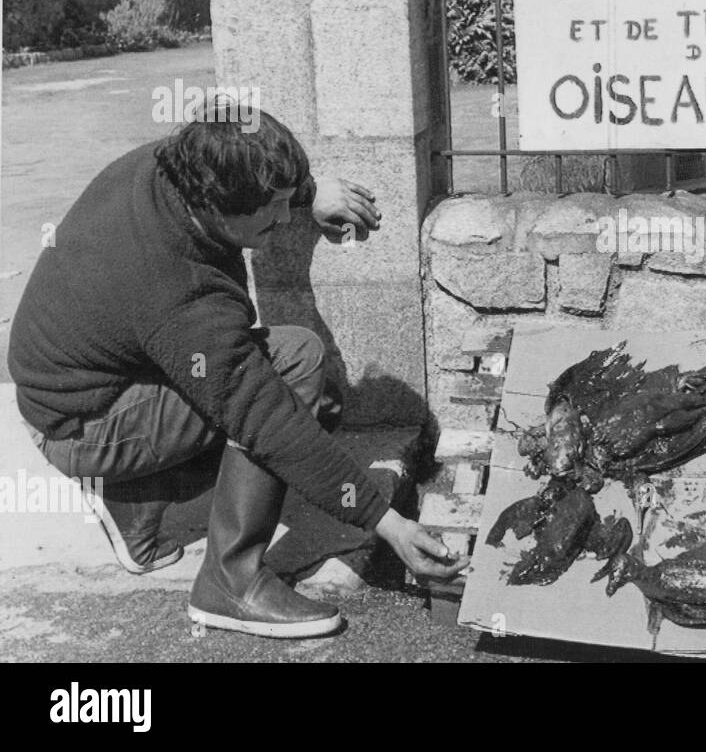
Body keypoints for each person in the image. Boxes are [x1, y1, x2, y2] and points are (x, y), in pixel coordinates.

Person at [8, 99, 469, 638]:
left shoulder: (176, 163)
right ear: (215, 204)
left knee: (308, 399)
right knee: (293, 369)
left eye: (283, 201)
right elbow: (266, 417)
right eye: (270, 208)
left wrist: (306, 191)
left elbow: (242, 167)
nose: (283, 218)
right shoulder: (179, 293)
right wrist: (384, 521)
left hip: (87, 390)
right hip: (82, 426)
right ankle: (229, 585)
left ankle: (134, 496)